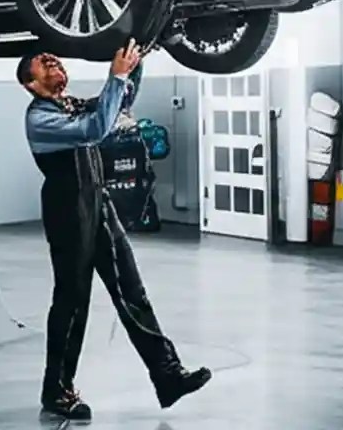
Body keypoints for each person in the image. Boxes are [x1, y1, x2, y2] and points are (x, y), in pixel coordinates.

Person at [17, 39, 211, 421]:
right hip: (66, 211)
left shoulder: (70, 104)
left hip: (97, 204)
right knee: (72, 302)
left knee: (132, 291)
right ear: (30, 84)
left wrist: (136, 57)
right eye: (43, 62)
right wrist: (116, 75)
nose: (52, 60)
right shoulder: (40, 118)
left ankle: (168, 375)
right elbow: (95, 128)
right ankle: (56, 390)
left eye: (54, 57)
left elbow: (119, 99)